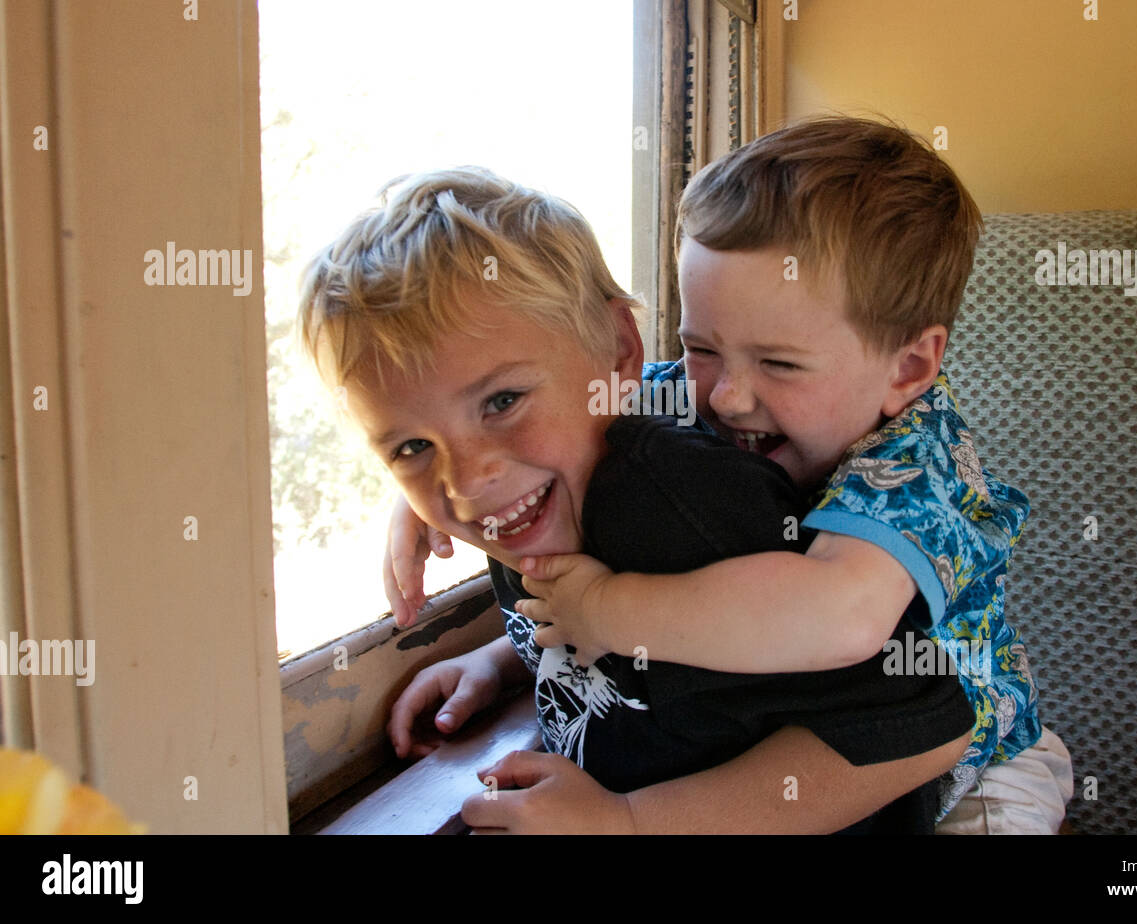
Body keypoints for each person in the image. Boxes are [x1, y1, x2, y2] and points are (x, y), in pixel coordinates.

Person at [384, 119, 1074, 833]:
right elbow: (558, 422)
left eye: (778, 363)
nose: (726, 395)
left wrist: (611, 610)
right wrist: (439, 489)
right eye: (701, 346)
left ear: (907, 369)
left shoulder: (913, 464)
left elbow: (837, 617)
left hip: (972, 765)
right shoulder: (686, 393)